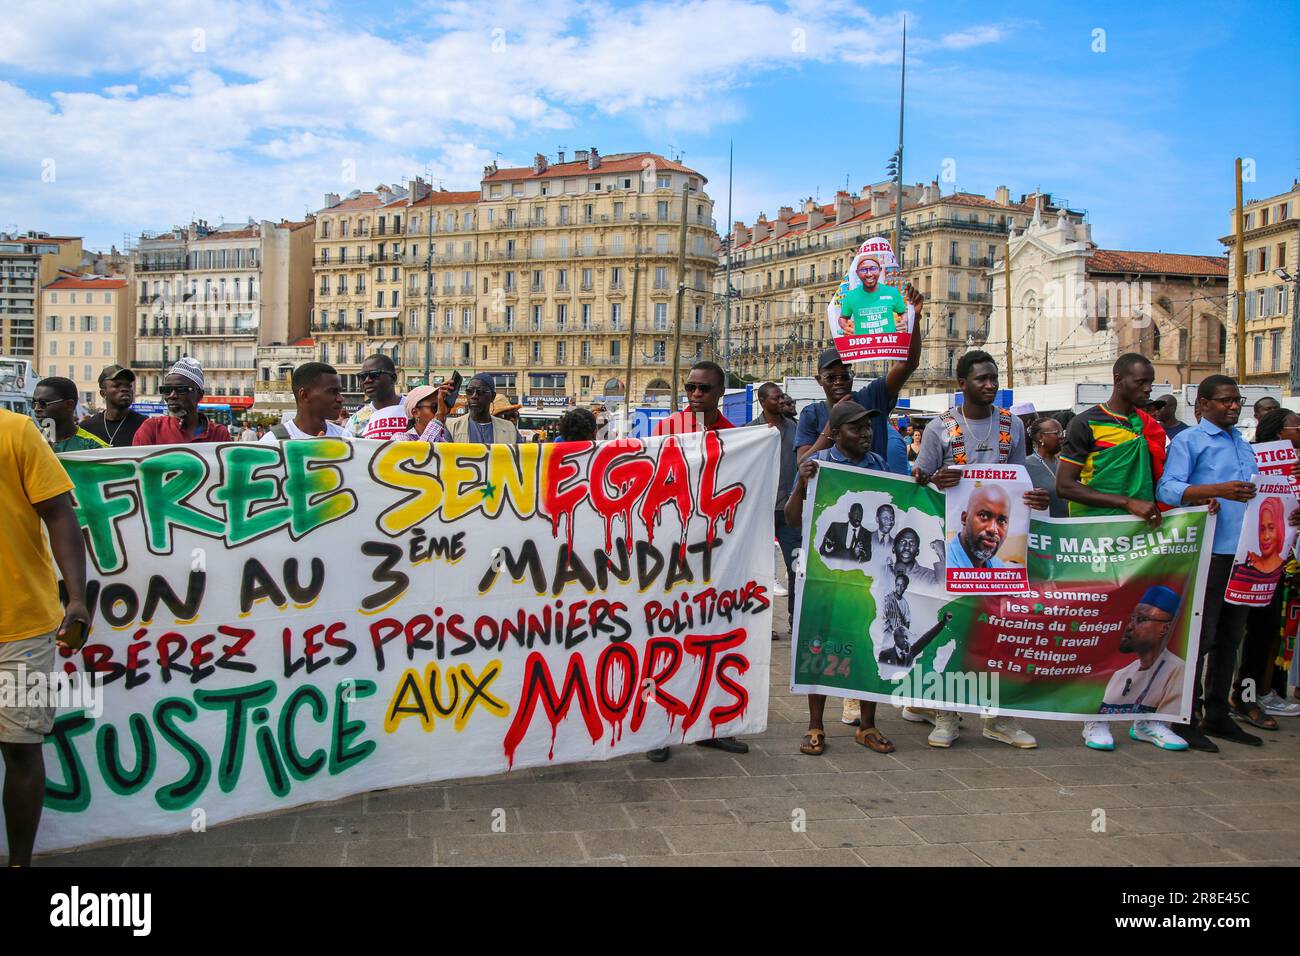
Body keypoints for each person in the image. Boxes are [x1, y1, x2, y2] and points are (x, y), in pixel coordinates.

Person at [910, 350, 1048, 749]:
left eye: (994, 378)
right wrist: (936, 478)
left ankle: (998, 717)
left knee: (999, 628)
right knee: (953, 625)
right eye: (982, 379)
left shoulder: (1013, 425)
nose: (990, 385)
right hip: (954, 546)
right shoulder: (941, 428)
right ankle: (946, 713)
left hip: (1001, 550)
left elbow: (1018, 480)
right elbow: (920, 480)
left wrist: (1033, 499)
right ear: (962, 384)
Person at [1055, 354, 1180, 750]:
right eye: (1141, 382)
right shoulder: (1086, 423)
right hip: (1095, 538)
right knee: (1103, 628)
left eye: (1151, 383)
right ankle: (1094, 716)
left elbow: (1162, 483)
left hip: (1141, 541)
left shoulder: (1149, 427)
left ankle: (1145, 718)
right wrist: (1126, 503)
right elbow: (1066, 485)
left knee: (1144, 629)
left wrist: (1198, 505)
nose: (1147, 389)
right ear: (1117, 380)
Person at [1157, 375, 1285, 751]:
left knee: (1232, 636)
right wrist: (1212, 492)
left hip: (1247, 555)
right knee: (1202, 636)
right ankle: (1186, 716)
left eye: (1237, 401)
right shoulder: (1190, 441)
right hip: (1210, 552)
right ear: (1204, 404)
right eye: (1226, 401)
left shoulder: (1243, 445)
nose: (1233, 407)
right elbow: (1168, 489)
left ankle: (1218, 714)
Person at [0, 407, 90, 867]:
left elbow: (59, 515)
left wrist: (77, 598)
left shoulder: (16, 432)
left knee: (21, 746)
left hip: (22, 627)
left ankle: (19, 863)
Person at [646, 361, 746, 762]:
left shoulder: (738, 438)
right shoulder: (665, 430)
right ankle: (656, 730)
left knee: (713, 641)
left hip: (717, 555)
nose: (695, 395)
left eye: (704, 388)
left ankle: (710, 725)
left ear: (720, 390)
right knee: (662, 641)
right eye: (689, 387)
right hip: (668, 554)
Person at [786, 400, 895, 754]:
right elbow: (790, 518)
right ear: (835, 434)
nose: (865, 434)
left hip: (866, 578)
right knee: (819, 644)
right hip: (824, 576)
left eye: (867, 427)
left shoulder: (877, 464)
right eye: (856, 428)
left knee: (868, 642)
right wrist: (803, 485)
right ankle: (815, 725)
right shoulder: (817, 466)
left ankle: (868, 725)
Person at [796, 279, 924, 465]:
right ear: (819, 380)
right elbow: (802, 463)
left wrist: (915, 319)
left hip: (873, 487)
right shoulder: (812, 414)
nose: (838, 382)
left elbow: (908, 365)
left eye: (845, 376)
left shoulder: (872, 396)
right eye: (831, 378)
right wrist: (832, 424)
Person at [1235, 408, 1300, 724]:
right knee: (1257, 629)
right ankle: (1245, 694)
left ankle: (1268, 691)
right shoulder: (1256, 461)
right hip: (1255, 561)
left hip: (1285, 559)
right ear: (1279, 433)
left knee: (1275, 628)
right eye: (1296, 426)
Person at [1098, 586, 1187, 738]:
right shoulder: (1121, 675)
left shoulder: (1178, 670)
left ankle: (1151, 723)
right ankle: (1096, 722)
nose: (1130, 626)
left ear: (1164, 628)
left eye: (1141, 619)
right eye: (1132, 618)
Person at [746, 383, 799, 633]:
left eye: (782, 398)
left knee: (796, 568)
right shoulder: (749, 432)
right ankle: (761, 626)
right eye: (776, 398)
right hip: (760, 511)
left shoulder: (796, 430)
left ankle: (795, 622)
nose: (781, 401)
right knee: (759, 570)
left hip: (789, 511)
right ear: (762, 401)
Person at [132, 358, 231, 445]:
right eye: (166, 390)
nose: (172, 395)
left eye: (180, 389)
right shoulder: (152, 429)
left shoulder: (219, 434)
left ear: (199, 394)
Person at [260, 363, 348, 442]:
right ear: (304, 395)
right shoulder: (271, 442)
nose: (340, 398)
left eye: (339, 392)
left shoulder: (345, 438)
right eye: (332, 391)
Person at [654, 361, 732, 436]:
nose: (696, 393)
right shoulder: (667, 429)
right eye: (691, 387)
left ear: (721, 391)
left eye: (704, 388)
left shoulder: (731, 433)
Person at [837, 253, 907, 336]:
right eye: (863, 270)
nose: (869, 274)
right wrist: (845, 328)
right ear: (857, 273)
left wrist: (903, 322)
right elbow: (843, 318)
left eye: (873, 269)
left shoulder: (892, 293)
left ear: (880, 270)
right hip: (862, 346)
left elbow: (903, 312)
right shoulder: (850, 296)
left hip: (889, 346)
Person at [946, 484, 1012, 569]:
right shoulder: (944, 563)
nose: (992, 529)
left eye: (1002, 521)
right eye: (984, 516)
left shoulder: (998, 566)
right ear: (964, 518)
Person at [32, 377, 107, 452]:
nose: (36, 409)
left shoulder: (96, 448)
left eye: (43, 403)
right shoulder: (29, 442)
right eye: (34, 403)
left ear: (69, 405)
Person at [79, 365, 147, 448]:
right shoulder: (87, 428)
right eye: (117, 385)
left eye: (128, 385)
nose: (125, 389)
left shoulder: (145, 425)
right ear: (103, 393)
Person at [345, 354, 408, 439]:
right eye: (362, 376)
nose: (367, 380)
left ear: (393, 378)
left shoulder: (414, 409)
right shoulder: (356, 422)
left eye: (374, 375)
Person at [448, 374, 520, 443]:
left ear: (492, 396)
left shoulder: (511, 430)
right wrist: (441, 414)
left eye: (481, 392)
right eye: (470, 391)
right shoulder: (451, 427)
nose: (474, 396)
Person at [1025, 418, 1067, 518]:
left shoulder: (1065, 464)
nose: (1062, 437)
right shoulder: (1026, 465)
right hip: (1043, 529)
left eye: (1063, 432)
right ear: (1041, 437)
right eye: (1057, 433)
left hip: (1068, 528)